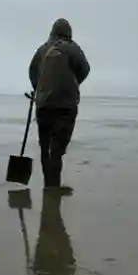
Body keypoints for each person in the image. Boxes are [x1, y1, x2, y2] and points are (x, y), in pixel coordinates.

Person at [28, 18, 90, 192]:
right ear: (68, 33)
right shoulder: (73, 48)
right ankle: (53, 185)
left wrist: (39, 89)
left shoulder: (42, 50)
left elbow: (32, 72)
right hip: (65, 105)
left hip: (43, 105)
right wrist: (72, 83)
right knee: (57, 147)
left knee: (45, 145)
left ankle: (50, 184)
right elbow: (85, 69)